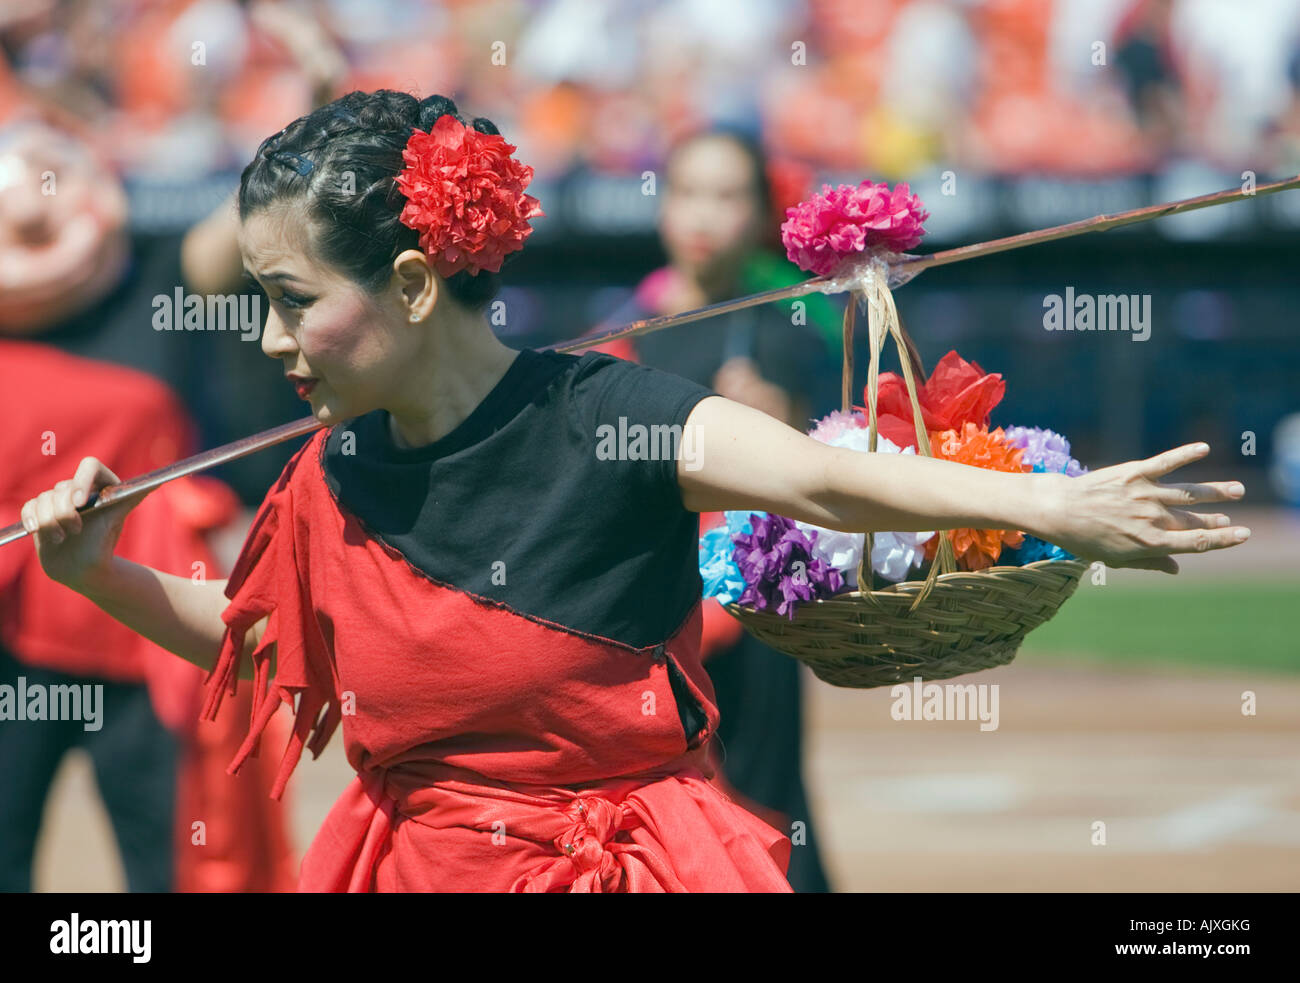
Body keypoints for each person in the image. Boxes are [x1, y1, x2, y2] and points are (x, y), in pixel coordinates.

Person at [17, 89, 1252, 893]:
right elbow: (259, 636)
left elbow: (824, 479)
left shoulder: (605, 413)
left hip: (628, 869)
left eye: (292, 301)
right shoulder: (328, 470)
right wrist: (93, 570)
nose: (273, 341)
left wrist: (1059, 506)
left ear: (405, 283)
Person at [0, 115, 295, 893]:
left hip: (148, 626)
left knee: (172, 865)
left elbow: (246, 217)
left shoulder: (161, 284)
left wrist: (318, 102)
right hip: (10, 648)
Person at [581, 128, 838, 892]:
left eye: (729, 196)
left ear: (759, 211)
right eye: (689, 192)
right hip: (659, 612)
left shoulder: (796, 317)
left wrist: (778, 421)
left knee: (771, 797)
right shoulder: (629, 329)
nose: (704, 215)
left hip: (764, 604)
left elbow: (845, 441)